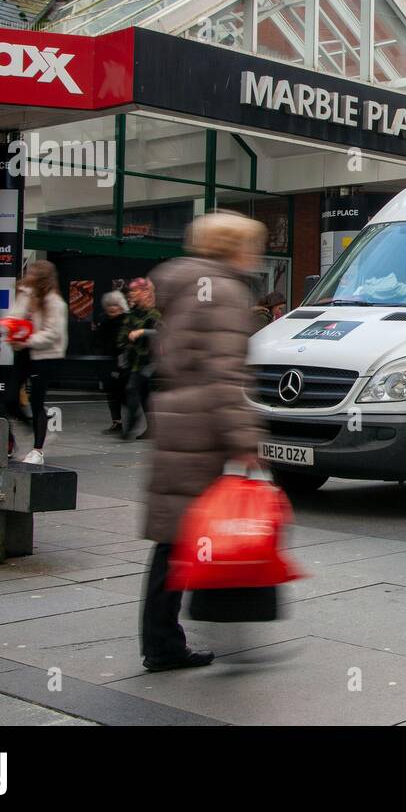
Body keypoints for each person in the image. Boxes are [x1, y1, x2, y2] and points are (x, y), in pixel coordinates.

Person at [140, 211, 267, 672]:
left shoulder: (186, 285)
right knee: (187, 538)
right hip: (202, 429)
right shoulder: (225, 291)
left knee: (175, 538)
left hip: (178, 418)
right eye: (252, 243)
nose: (256, 253)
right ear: (233, 246)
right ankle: (170, 640)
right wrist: (244, 439)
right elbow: (226, 374)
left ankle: (163, 639)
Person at [8, 260, 68, 466]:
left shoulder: (55, 303)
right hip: (24, 351)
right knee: (10, 396)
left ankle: (38, 449)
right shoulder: (25, 294)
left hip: (45, 355)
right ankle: (33, 429)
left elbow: (53, 334)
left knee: (36, 402)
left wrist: (26, 340)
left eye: (34, 274)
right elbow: (15, 317)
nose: (30, 276)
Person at [119, 277, 162, 440]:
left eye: (136, 290)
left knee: (133, 388)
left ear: (145, 293)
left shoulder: (153, 313)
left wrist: (142, 332)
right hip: (135, 360)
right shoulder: (133, 313)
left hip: (148, 360)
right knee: (143, 394)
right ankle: (151, 428)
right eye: (131, 291)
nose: (132, 294)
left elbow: (162, 333)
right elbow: (124, 336)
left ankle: (130, 427)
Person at [93, 291, 130, 435]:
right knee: (111, 392)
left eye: (115, 305)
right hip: (106, 360)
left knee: (125, 392)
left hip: (123, 361)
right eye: (109, 305)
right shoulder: (103, 321)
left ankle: (133, 421)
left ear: (121, 306)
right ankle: (117, 422)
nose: (112, 308)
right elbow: (97, 341)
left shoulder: (127, 320)